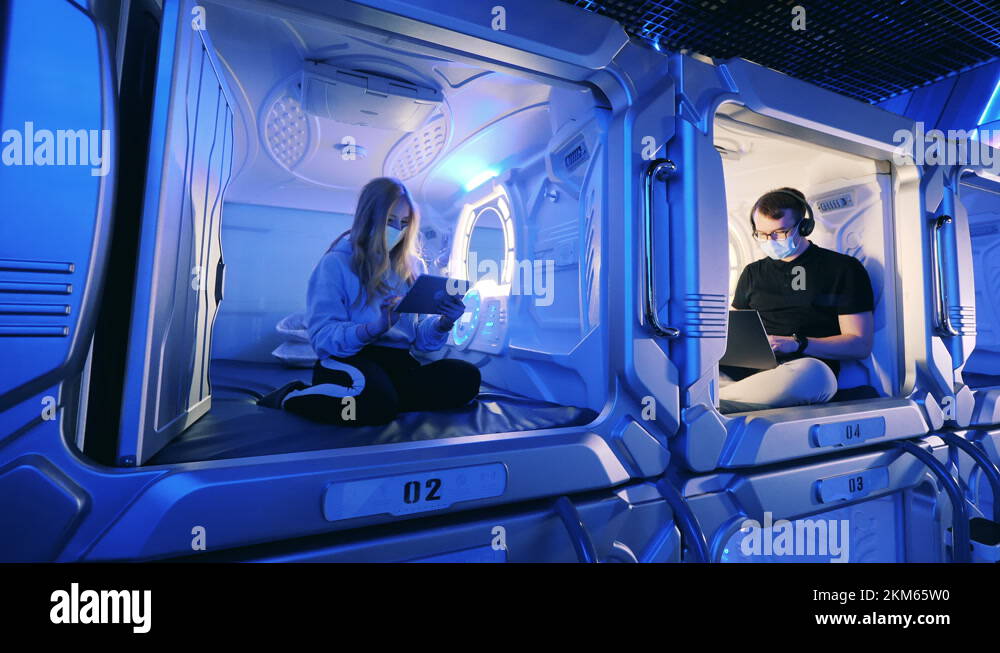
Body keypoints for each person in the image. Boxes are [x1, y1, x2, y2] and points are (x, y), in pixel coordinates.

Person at [283, 177, 481, 425]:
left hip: (398, 365)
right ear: (369, 218)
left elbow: (420, 340)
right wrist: (373, 328)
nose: (397, 230)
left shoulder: (412, 267)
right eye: (389, 221)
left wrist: (443, 323)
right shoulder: (336, 263)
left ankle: (386, 400)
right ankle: (292, 396)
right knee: (375, 401)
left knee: (465, 378)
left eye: (404, 222)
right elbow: (323, 340)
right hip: (348, 360)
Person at [720, 187, 875, 408]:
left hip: (803, 368)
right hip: (751, 373)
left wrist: (797, 344)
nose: (770, 240)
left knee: (812, 374)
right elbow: (736, 333)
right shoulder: (752, 272)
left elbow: (860, 345)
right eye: (762, 234)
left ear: (804, 226)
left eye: (779, 232)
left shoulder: (843, 268)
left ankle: (715, 402)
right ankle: (722, 401)